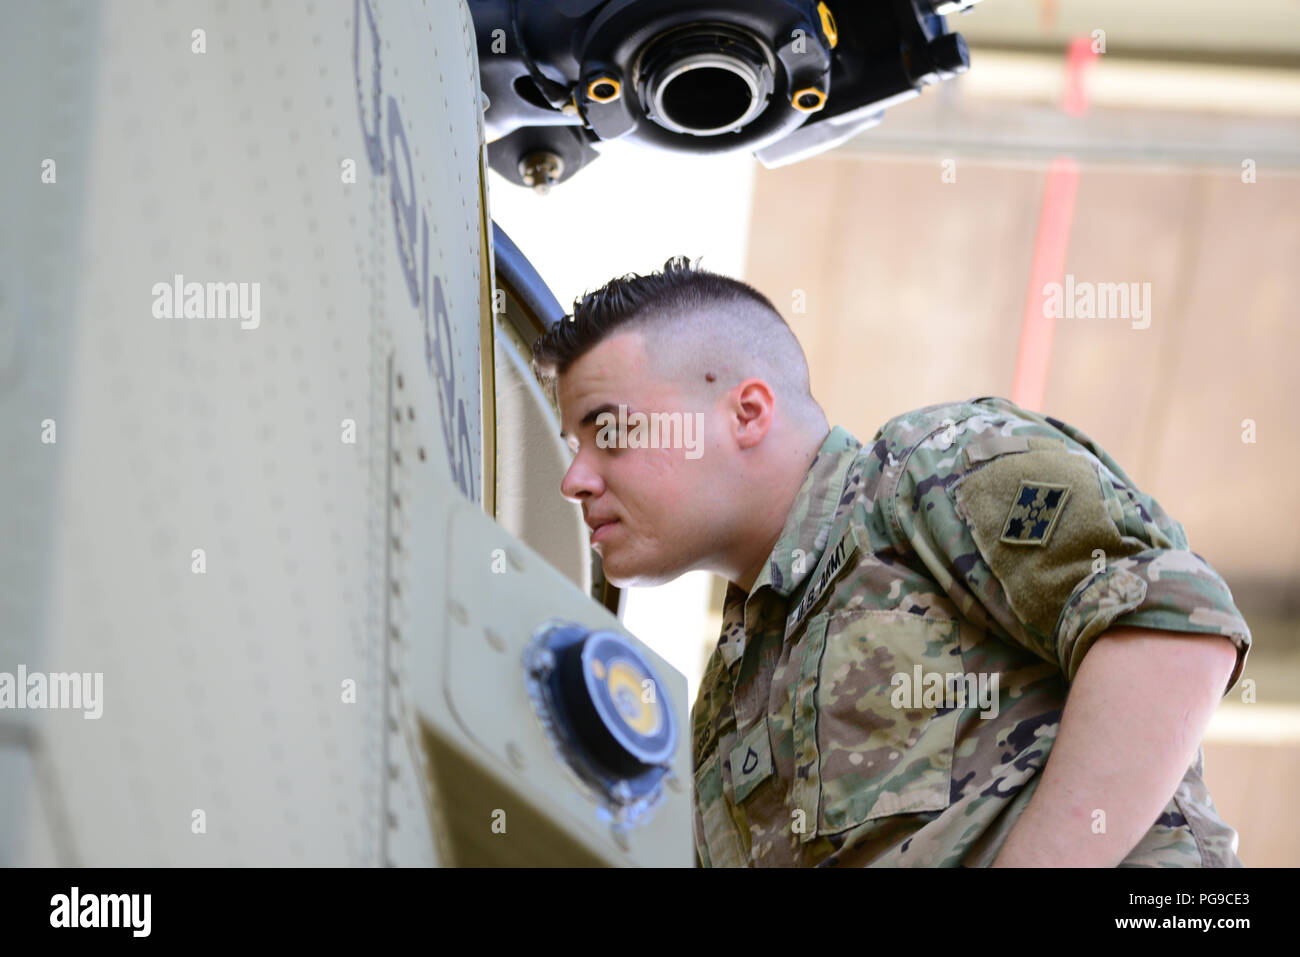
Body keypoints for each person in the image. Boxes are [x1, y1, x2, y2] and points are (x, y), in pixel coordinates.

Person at [530, 256, 1252, 867]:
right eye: (574, 449)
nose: (576, 479)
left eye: (610, 431)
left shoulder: (926, 471)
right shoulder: (721, 711)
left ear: (747, 412)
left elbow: (1175, 631)